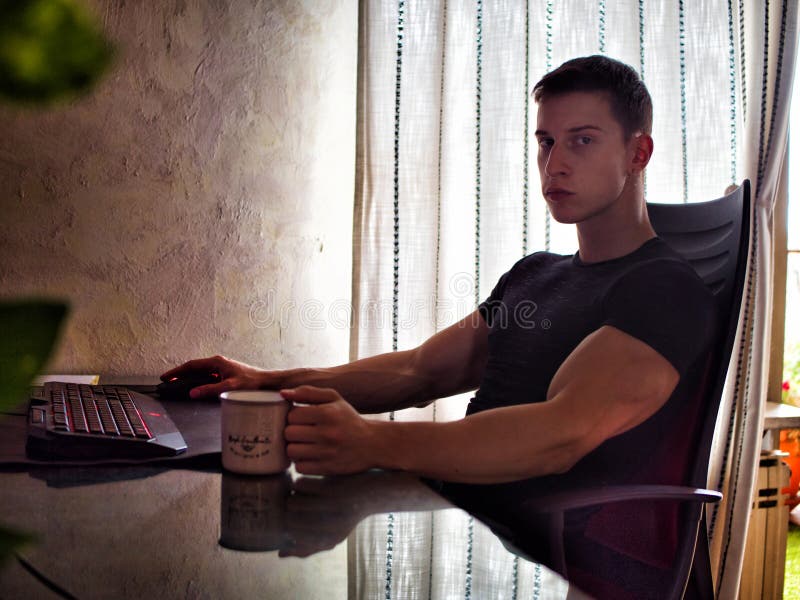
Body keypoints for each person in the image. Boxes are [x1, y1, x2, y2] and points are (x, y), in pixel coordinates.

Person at [162, 55, 716, 489]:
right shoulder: (535, 274)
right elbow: (419, 373)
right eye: (546, 142)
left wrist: (372, 443)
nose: (556, 163)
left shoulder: (664, 289)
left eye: (583, 140)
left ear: (639, 152)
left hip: (531, 554)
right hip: (446, 501)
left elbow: (559, 435)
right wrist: (268, 382)